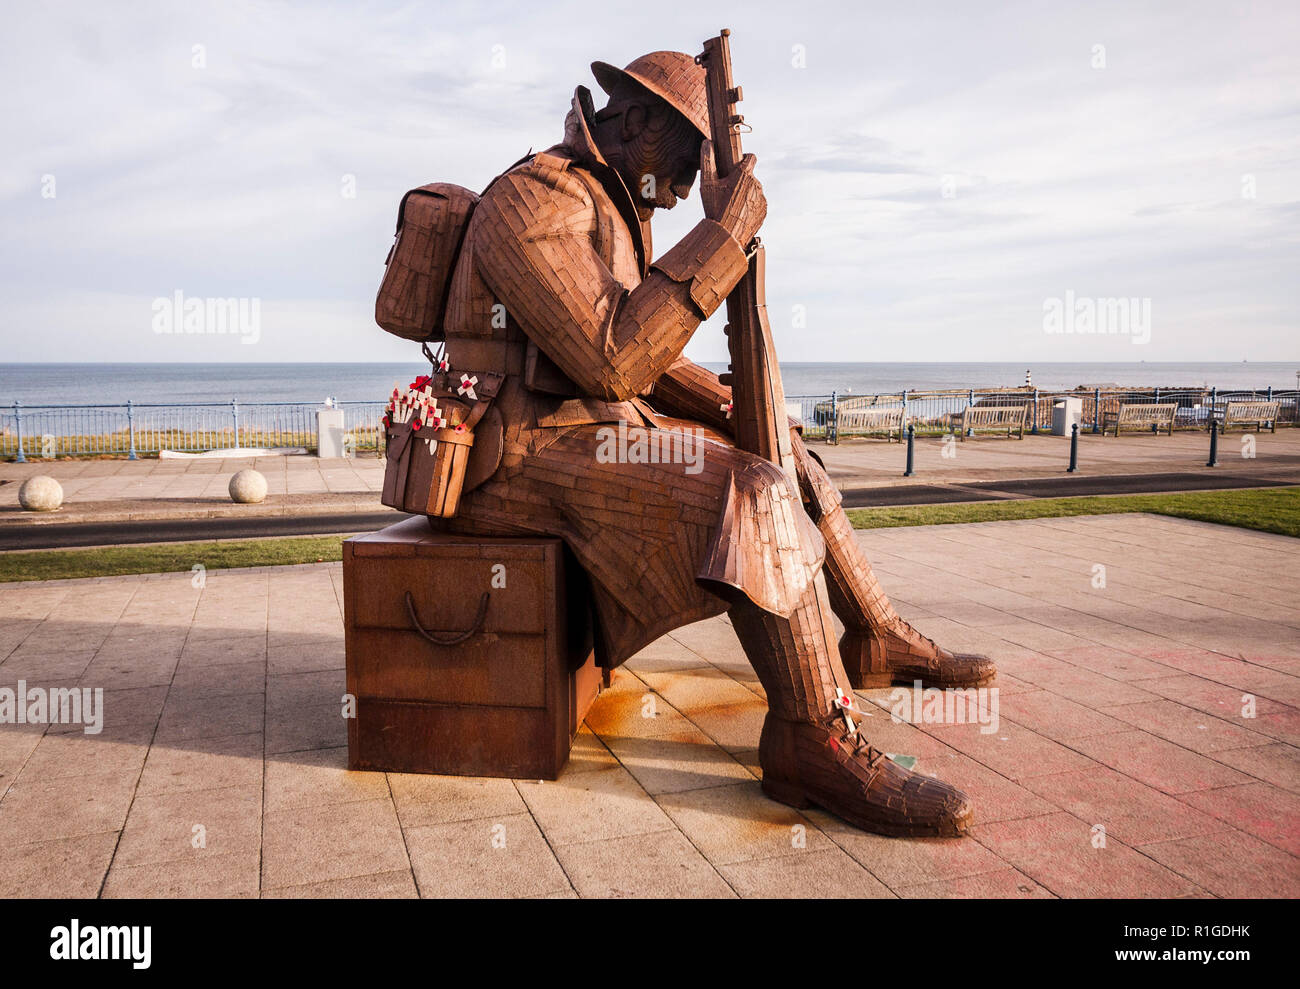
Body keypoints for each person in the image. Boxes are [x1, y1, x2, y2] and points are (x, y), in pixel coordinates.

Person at [438, 51, 995, 837]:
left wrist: (732, 401)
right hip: (519, 458)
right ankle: (811, 734)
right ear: (634, 123)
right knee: (751, 490)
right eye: (691, 154)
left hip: (589, 433)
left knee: (781, 451)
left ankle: (875, 632)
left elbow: (642, 356)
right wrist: (722, 233)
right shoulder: (532, 201)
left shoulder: (609, 206)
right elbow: (614, 356)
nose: (695, 180)